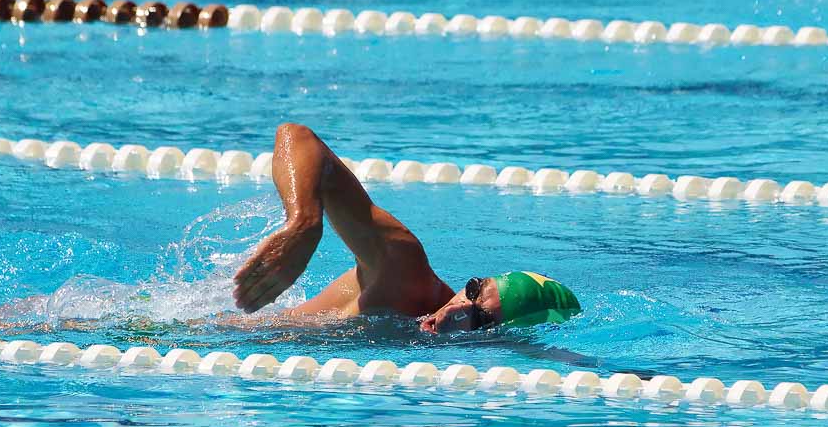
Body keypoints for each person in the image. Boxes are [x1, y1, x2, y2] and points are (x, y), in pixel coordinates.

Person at [234, 124, 581, 334]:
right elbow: (296, 136)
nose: (458, 308)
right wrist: (305, 223)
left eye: (481, 319)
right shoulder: (406, 276)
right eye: (474, 290)